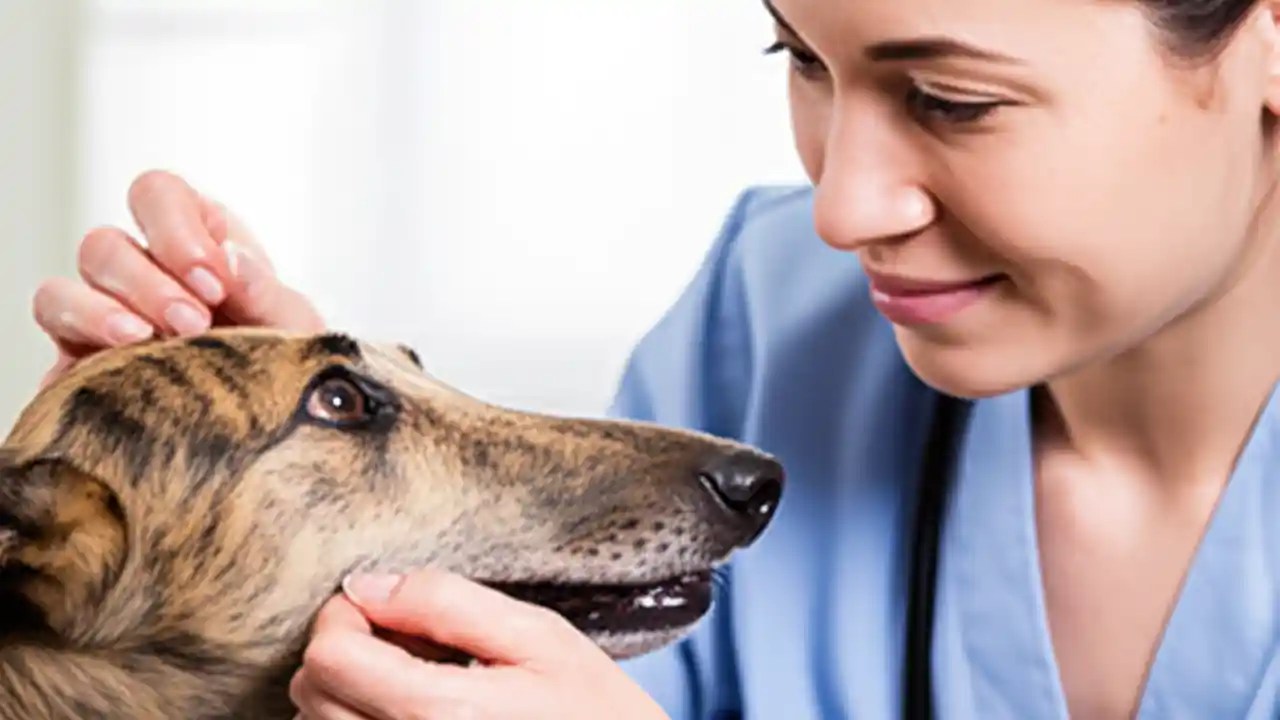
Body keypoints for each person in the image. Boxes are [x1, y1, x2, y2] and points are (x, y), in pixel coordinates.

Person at [28, 0, 1280, 717]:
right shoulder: (768, 318)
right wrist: (238, 532)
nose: (840, 209)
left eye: (953, 100)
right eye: (799, 57)